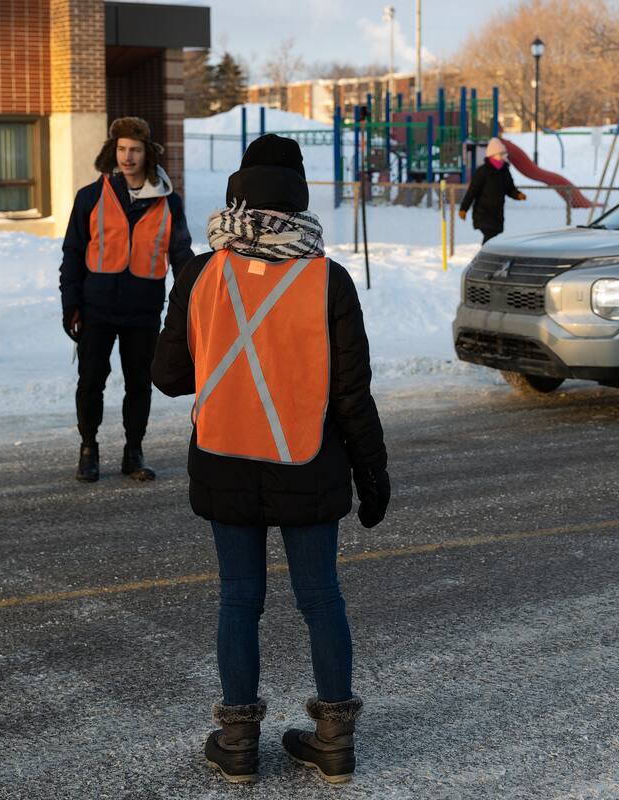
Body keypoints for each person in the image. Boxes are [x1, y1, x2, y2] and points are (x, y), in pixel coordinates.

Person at [151, 134, 389, 786]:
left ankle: (237, 742)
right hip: (306, 458)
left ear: (239, 193)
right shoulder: (326, 278)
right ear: (299, 196)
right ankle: (334, 740)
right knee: (321, 598)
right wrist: (373, 473)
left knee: (238, 600)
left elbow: (170, 376)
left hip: (225, 455)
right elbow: (351, 394)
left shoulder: (201, 273)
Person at [59, 117, 193, 483]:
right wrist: (70, 304)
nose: (127, 157)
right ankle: (89, 449)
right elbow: (72, 252)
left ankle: (134, 451)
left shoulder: (169, 202)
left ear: (147, 153)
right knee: (90, 382)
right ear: (112, 151)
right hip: (95, 309)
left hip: (143, 311)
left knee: (139, 383)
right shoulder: (90, 196)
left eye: (134, 149)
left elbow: (181, 255)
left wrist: (192, 300)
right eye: (121, 149)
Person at [458, 136, 526, 243]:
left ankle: (487, 257)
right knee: (490, 237)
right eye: (501, 154)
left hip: (497, 214)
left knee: (495, 237)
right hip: (483, 213)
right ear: (493, 155)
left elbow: (509, 189)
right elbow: (472, 192)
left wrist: (517, 195)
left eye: (504, 154)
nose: (504, 156)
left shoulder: (505, 172)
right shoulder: (483, 172)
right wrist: (464, 208)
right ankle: (485, 258)